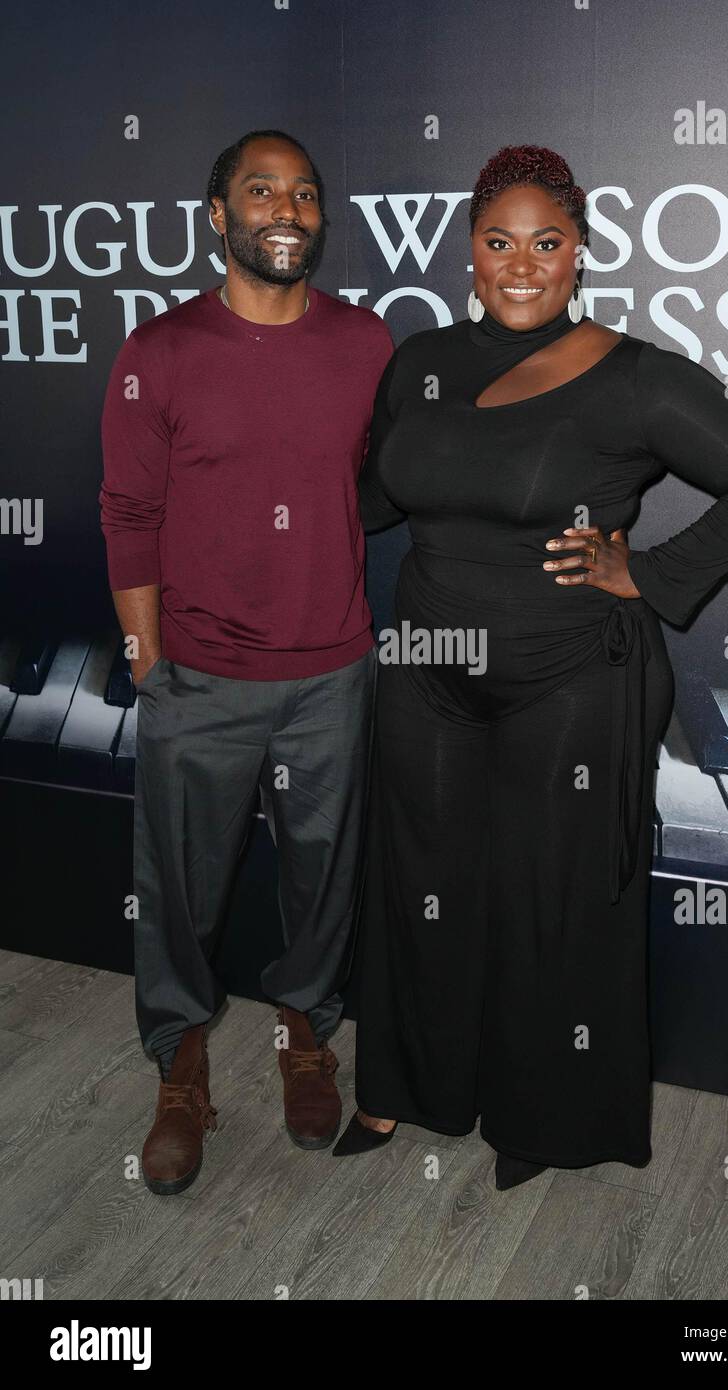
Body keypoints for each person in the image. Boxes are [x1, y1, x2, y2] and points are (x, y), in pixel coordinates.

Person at [334, 145, 728, 1190]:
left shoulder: (631, 373)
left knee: (548, 894)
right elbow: (375, 499)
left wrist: (647, 570)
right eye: (497, 242)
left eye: (544, 243)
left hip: (568, 672)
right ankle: (407, 1083)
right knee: (419, 876)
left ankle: (540, 1114)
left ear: (580, 252)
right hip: (426, 660)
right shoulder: (418, 358)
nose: (519, 265)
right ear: (467, 248)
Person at [99, 130, 393, 1195]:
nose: (287, 207)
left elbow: (389, 480)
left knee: (322, 882)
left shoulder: (366, 344)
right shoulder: (160, 352)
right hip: (199, 679)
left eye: (305, 192)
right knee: (176, 892)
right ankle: (179, 1065)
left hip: (332, 675)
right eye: (260, 189)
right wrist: (147, 657)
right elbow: (128, 509)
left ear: (321, 219)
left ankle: (302, 1038)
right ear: (217, 216)